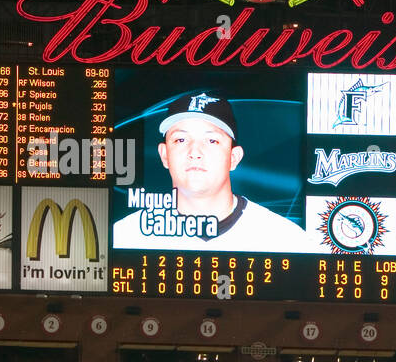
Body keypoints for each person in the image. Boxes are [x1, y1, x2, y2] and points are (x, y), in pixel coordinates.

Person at [112, 92, 307, 251]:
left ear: (234, 158)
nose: (195, 152)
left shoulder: (287, 239)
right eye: (181, 140)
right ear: (164, 155)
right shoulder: (124, 235)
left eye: (212, 141)